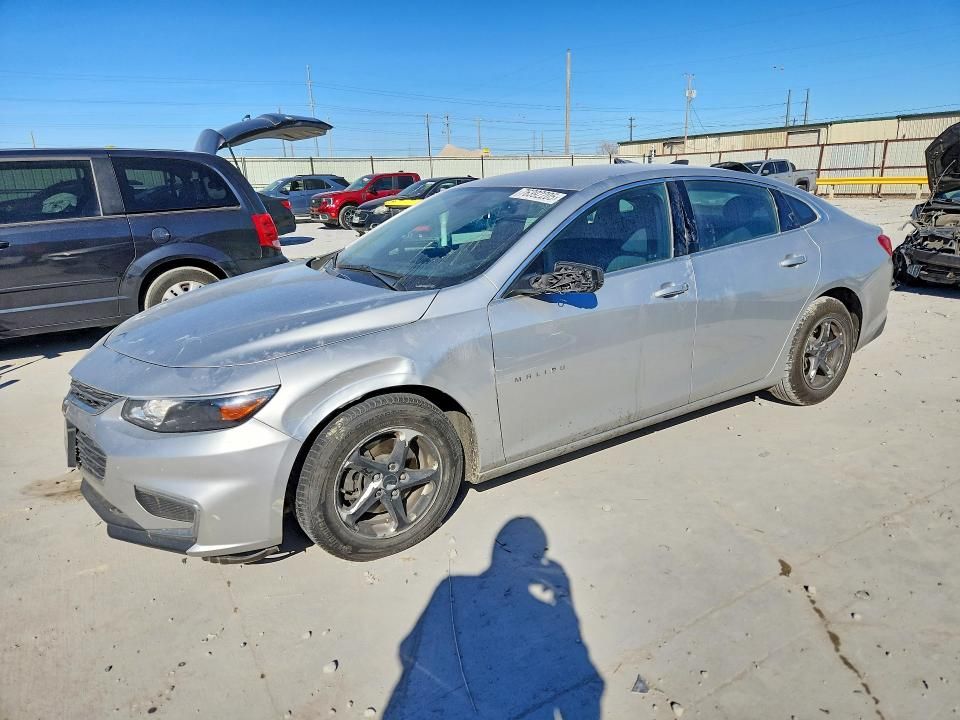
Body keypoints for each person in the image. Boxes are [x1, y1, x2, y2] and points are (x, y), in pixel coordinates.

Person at [384, 517, 603, 719]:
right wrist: (566, 603)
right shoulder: (545, 614)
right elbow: (581, 676)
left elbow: (407, 648)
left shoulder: (451, 589)